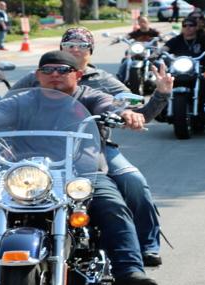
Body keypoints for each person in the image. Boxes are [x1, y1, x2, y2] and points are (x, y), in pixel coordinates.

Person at [0, 51, 158, 285]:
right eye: (47, 70)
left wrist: (125, 113)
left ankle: (129, 271)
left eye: (62, 70)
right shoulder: (22, 100)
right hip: (27, 172)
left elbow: (109, 106)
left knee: (112, 204)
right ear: (38, 75)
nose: (54, 75)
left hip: (81, 172)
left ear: (77, 74)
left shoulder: (90, 96)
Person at [14, 28, 169, 269]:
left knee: (134, 183)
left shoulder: (103, 82)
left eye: (82, 45)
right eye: (69, 44)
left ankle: (147, 246)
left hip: (93, 149)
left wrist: (159, 95)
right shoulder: (39, 77)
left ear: (90, 52)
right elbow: (4, 107)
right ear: (61, 48)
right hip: (38, 151)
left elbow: (135, 114)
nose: (75, 49)